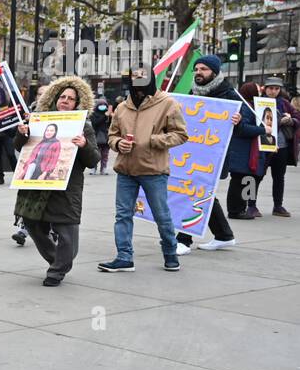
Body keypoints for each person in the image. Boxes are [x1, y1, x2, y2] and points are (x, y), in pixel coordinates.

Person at [98, 70, 189, 273]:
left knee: (161, 214)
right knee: (122, 215)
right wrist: (118, 143)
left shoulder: (168, 103)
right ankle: (124, 256)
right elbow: (112, 134)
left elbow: (181, 134)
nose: (138, 85)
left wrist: (155, 140)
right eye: (134, 81)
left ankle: (170, 253)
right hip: (126, 170)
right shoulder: (122, 107)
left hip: (153, 169)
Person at [13, 77, 99, 285]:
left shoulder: (83, 126)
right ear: (55, 98)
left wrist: (85, 145)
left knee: (67, 233)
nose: (65, 101)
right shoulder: (39, 120)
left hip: (66, 188)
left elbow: (93, 159)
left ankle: (57, 271)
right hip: (36, 187)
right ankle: (58, 260)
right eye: (62, 97)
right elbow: (21, 149)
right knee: (33, 225)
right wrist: (22, 134)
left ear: (77, 103)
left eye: (71, 98)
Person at [175, 55, 239, 252]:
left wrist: (238, 120)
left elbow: (250, 128)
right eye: (196, 68)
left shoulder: (230, 95)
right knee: (203, 194)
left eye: (204, 69)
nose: (198, 72)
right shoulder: (191, 93)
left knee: (196, 192)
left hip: (214, 157)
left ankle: (184, 240)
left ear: (214, 72)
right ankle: (224, 235)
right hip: (192, 154)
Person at [226, 82, 268, 221]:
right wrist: (263, 130)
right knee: (238, 181)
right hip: (242, 150)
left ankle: (242, 208)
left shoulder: (254, 106)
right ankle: (235, 210)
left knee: (246, 180)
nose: (260, 92)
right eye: (257, 90)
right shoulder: (244, 107)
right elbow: (243, 128)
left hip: (250, 151)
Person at [262, 76, 296, 216]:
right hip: (262, 144)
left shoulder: (285, 103)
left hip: (281, 145)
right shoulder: (258, 102)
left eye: (276, 89)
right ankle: (251, 204)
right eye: (271, 88)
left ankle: (278, 205)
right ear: (265, 89)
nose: (273, 91)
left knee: (279, 177)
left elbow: (297, 117)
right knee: (255, 177)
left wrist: (290, 120)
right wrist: (278, 120)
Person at [90, 96, 111, 175]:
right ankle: (93, 168)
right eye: (101, 104)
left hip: (106, 137)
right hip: (96, 136)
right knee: (96, 154)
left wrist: (110, 116)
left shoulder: (108, 115)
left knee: (105, 154)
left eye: (104, 104)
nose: (103, 106)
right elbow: (95, 123)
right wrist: (104, 116)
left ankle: (103, 169)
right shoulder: (94, 114)